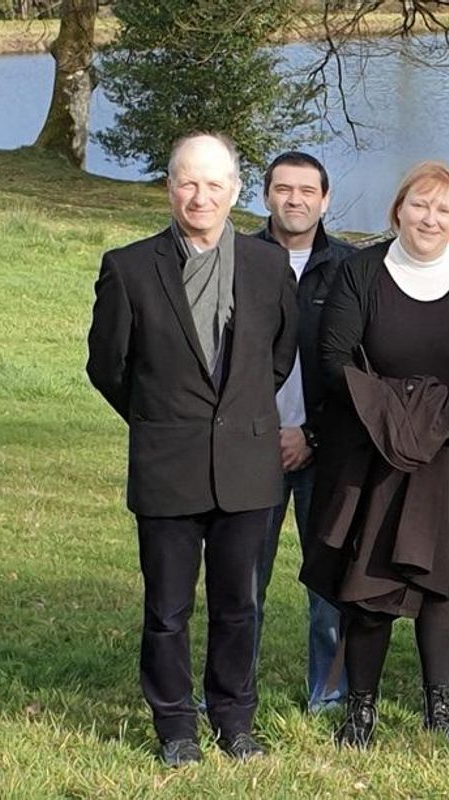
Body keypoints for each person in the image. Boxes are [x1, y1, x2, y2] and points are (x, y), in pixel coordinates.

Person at [86, 132, 298, 766]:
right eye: (187, 182)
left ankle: (235, 719)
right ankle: (175, 725)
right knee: (168, 609)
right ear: (169, 187)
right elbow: (108, 366)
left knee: (240, 605)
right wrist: (159, 419)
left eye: (214, 184)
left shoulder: (268, 268)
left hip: (247, 468)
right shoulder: (129, 267)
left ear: (235, 191)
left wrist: (236, 418)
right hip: (168, 467)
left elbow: (277, 358)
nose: (200, 196)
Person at [300, 161, 449, 748]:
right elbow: (335, 358)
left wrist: (445, 427)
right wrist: (391, 424)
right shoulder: (360, 272)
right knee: (368, 583)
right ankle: (360, 711)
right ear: (398, 209)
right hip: (372, 452)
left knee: (443, 586)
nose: (431, 217)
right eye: (420, 205)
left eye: (445, 209)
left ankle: (439, 709)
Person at [253, 151, 356, 713]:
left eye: (307, 190)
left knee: (327, 585)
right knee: (243, 584)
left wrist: (311, 434)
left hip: (326, 449)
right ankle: (231, 689)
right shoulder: (237, 258)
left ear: (325, 198)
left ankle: (330, 694)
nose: (295, 200)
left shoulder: (350, 267)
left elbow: (359, 368)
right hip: (250, 449)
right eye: (283, 189)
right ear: (266, 194)